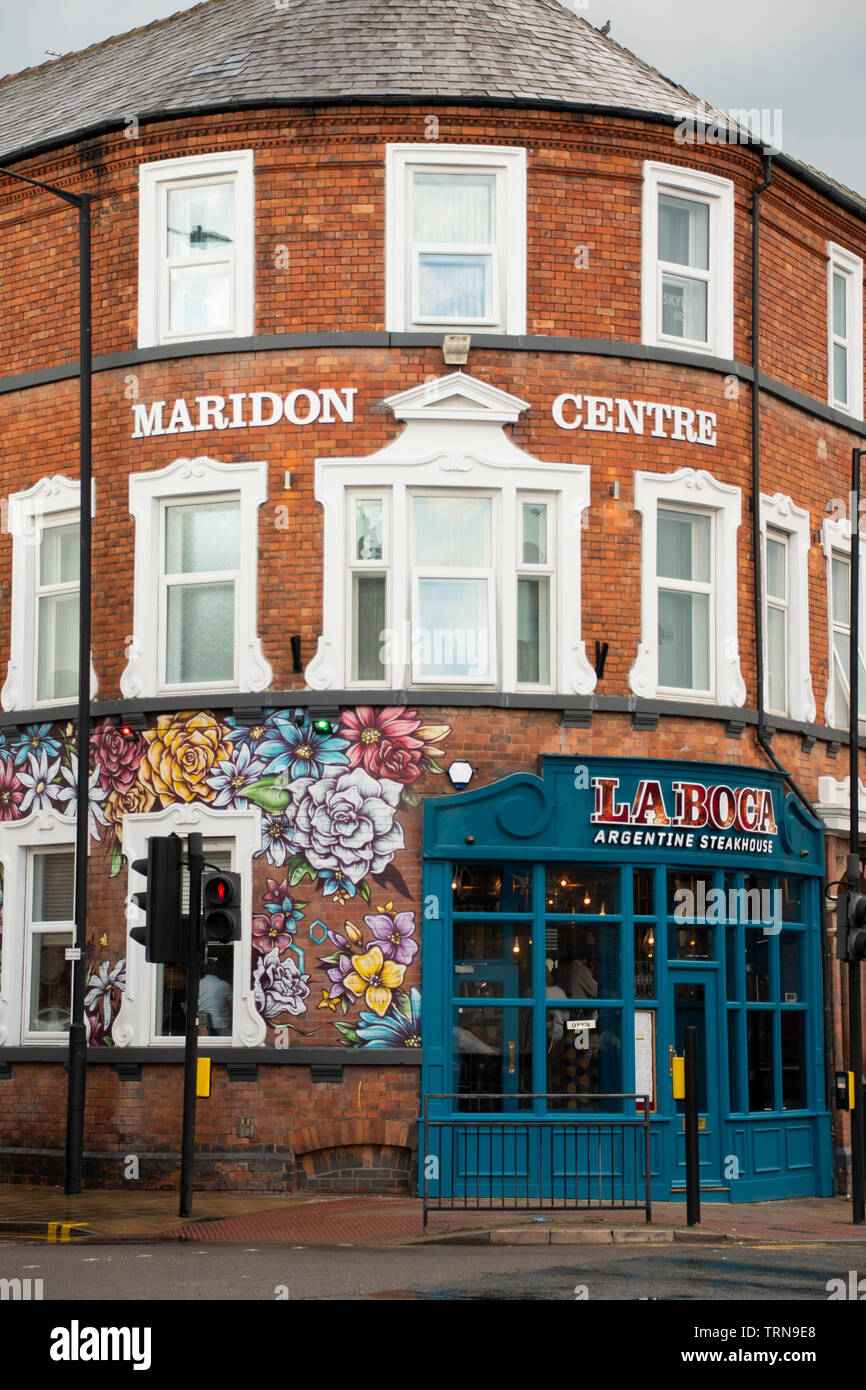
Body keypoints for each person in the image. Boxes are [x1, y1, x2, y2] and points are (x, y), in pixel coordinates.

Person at [198, 959, 232, 1035]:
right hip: (222, 1024)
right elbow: (234, 1008)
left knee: (202, 1044)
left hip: (202, 1022)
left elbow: (187, 1009)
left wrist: (198, 1023)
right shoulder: (224, 985)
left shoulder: (196, 984)